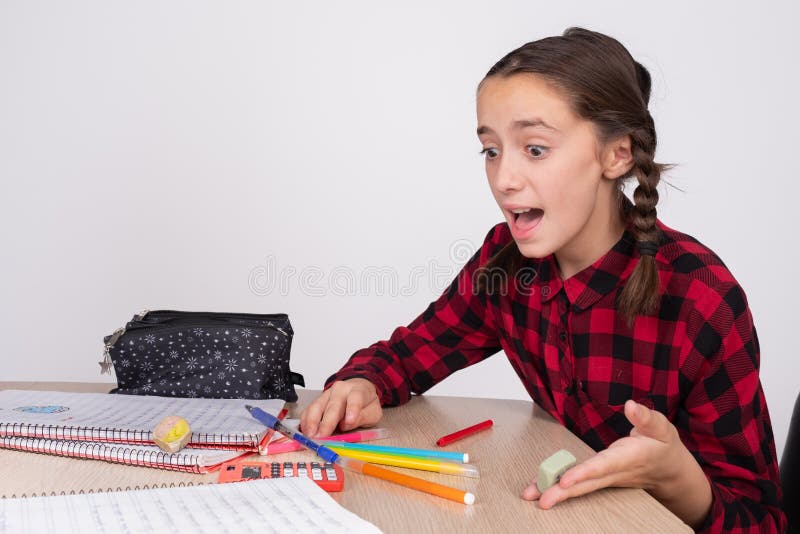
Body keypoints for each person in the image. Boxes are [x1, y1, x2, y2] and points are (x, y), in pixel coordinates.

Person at [299, 27, 785, 532]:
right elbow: (409, 354)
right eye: (491, 151)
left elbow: (762, 521)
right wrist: (363, 382)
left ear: (616, 154)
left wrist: (677, 479)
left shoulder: (701, 297)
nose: (504, 179)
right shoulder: (505, 264)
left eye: (534, 149)